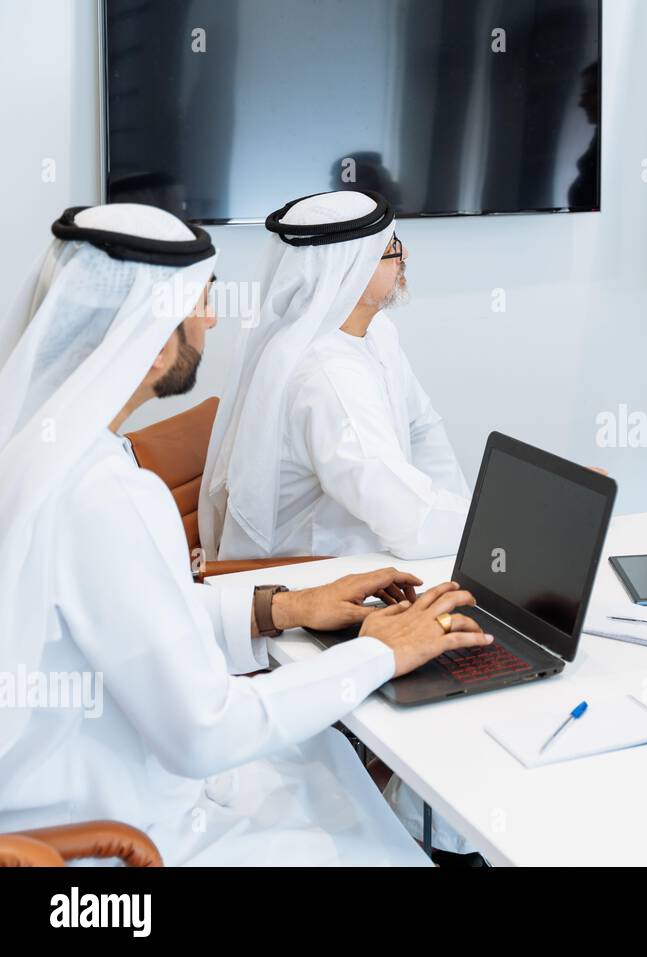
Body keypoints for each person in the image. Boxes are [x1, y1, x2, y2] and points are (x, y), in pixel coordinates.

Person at [0, 203, 493, 865]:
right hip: (109, 832)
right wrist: (380, 651)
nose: (212, 318)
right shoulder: (102, 495)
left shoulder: (51, 448)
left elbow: (134, 610)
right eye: (200, 303)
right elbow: (205, 731)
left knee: (328, 767)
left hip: (110, 774)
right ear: (150, 342)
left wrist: (283, 606)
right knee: (339, 795)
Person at [200, 188, 469, 563]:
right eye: (391, 248)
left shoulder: (376, 332)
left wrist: (463, 513)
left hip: (371, 556)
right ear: (350, 271)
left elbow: (422, 428)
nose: (404, 256)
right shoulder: (326, 376)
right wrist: (491, 532)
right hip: (314, 579)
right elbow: (400, 512)